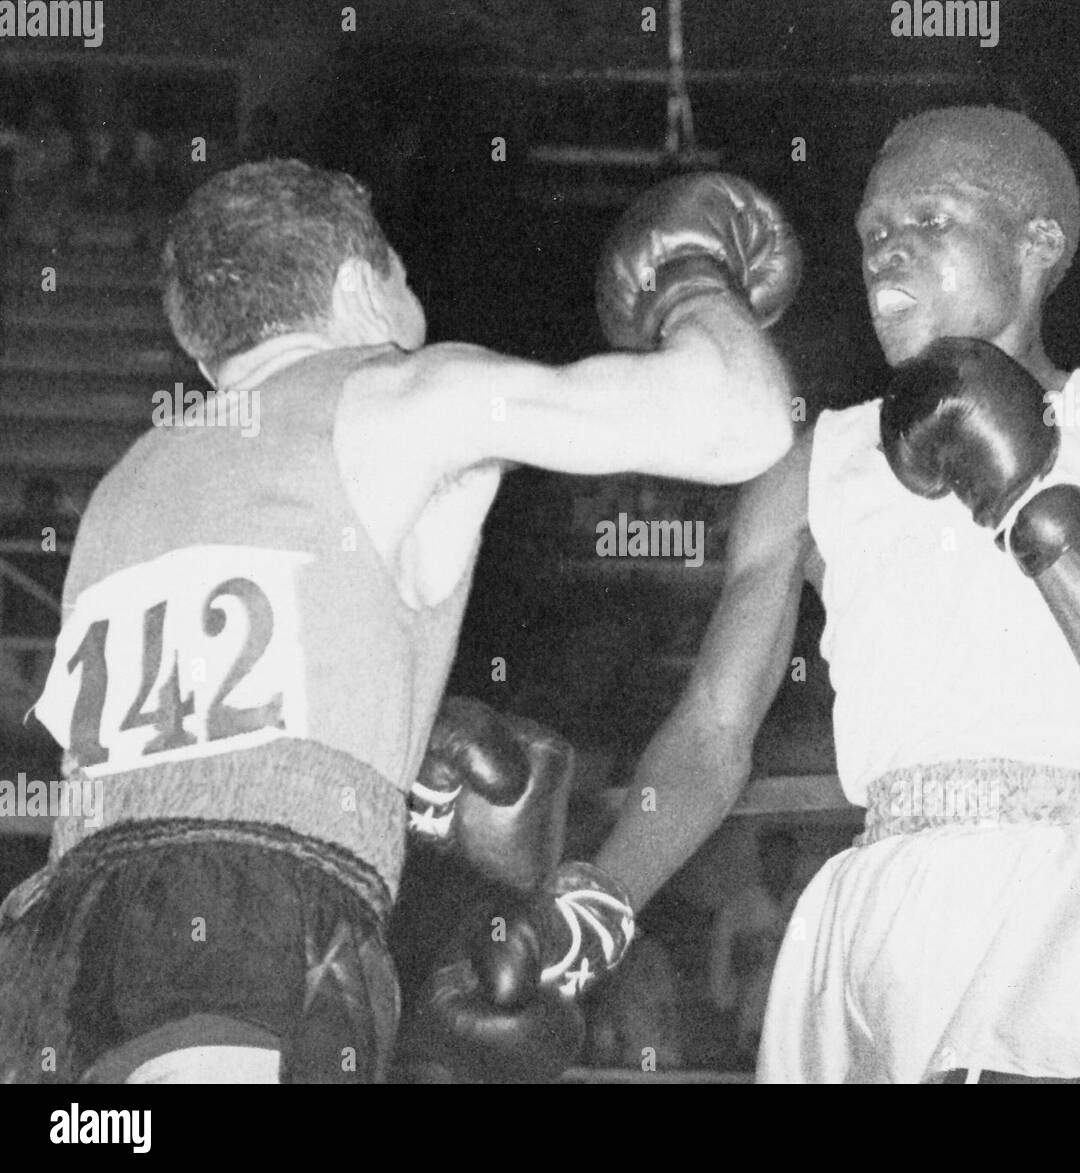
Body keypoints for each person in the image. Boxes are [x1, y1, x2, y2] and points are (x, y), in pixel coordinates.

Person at [0, 159, 800, 1083]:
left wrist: (401, 785)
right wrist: (692, 280)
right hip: (248, 920)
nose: (413, 293)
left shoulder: (129, 483)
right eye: (401, 271)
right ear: (356, 287)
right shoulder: (398, 392)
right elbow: (742, 421)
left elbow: (185, 759)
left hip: (56, 943)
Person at [595, 105, 1080, 1084]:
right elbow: (712, 729)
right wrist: (591, 904)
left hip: (1064, 895)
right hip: (869, 903)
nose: (884, 253)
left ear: (1038, 244)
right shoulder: (812, 463)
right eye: (870, 236)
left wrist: (1025, 509)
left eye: (926, 221)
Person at [707, 829, 798, 1064]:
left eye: (787, 859)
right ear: (763, 861)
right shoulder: (737, 909)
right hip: (751, 1020)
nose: (781, 866)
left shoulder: (803, 903)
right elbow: (721, 971)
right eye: (774, 858)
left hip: (795, 1020)